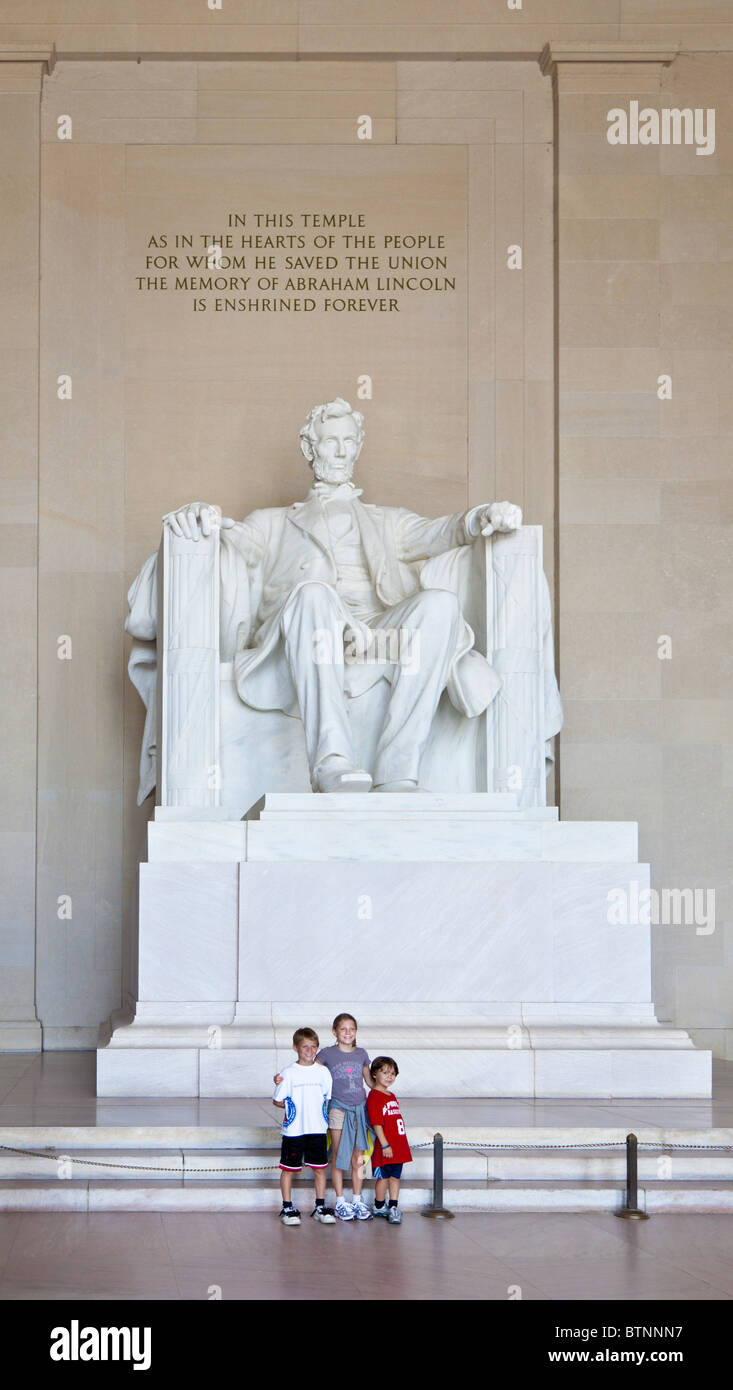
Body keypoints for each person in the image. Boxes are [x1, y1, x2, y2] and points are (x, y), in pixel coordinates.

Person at [127, 397, 525, 801]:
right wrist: (200, 516)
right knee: (314, 593)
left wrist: (481, 517)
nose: (340, 450)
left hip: (376, 638)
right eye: (330, 440)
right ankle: (332, 762)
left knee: (440, 604)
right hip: (308, 633)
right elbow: (230, 538)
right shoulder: (273, 523)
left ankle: (398, 770)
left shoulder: (389, 521)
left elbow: (443, 531)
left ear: (358, 446)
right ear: (309, 448)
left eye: (348, 441)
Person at [272, 1026, 336, 1226]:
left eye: (313, 1047)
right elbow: (277, 1100)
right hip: (294, 1130)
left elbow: (326, 1098)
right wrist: (290, 1107)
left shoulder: (323, 1072)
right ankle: (287, 1206)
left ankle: (319, 1206)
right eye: (305, 1047)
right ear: (295, 1048)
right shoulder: (288, 1073)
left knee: (319, 1168)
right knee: (289, 1169)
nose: (309, 1051)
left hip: (316, 1128)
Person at [317, 1012, 374, 1221]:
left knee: (358, 1157)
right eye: (343, 1029)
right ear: (335, 1031)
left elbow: (369, 1081)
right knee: (339, 1153)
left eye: (351, 1029)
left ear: (356, 1031)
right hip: (338, 1108)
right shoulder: (327, 1054)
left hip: (359, 1108)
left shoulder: (361, 1054)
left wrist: (387, 1096)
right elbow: (311, 1072)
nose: (347, 1033)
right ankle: (341, 1200)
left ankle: (357, 1199)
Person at [365, 1056, 412, 1224]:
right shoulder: (374, 1096)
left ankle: (393, 1206)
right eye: (384, 1072)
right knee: (383, 1177)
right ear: (375, 1074)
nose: (389, 1076)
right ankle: (379, 1206)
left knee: (395, 1177)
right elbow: (377, 1123)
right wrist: (385, 1144)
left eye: (392, 1073)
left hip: (398, 1145)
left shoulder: (391, 1095)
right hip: (385, 1146)